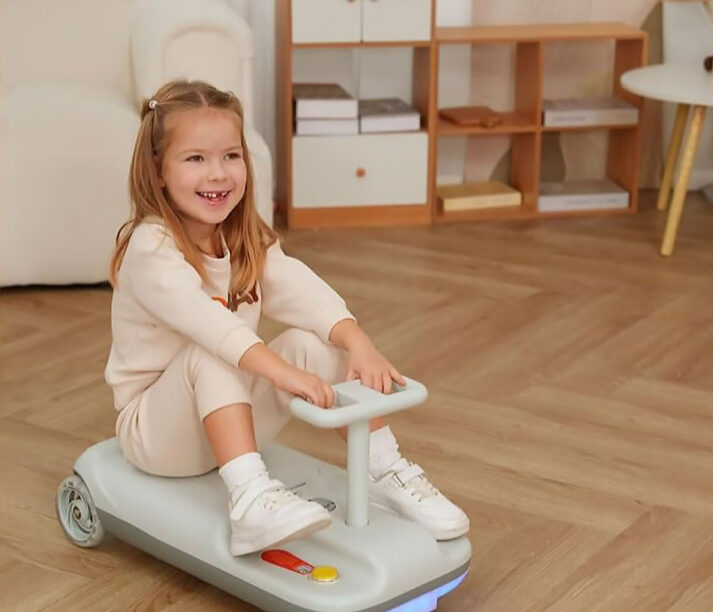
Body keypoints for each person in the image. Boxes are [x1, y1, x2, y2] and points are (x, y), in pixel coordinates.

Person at [105, 80, 469, 556]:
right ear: (158, 171)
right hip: (157, 434)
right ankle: (252, 501)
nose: (217, 174)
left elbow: (302, 290)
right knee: (212, 354)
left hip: (225, 412)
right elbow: (213, 328)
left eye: (231, 157)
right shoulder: (150, 248)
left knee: (317, 342)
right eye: (195, 159)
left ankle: (385, 470)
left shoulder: (242, 237)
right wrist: (284, 376)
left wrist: (357, 341)